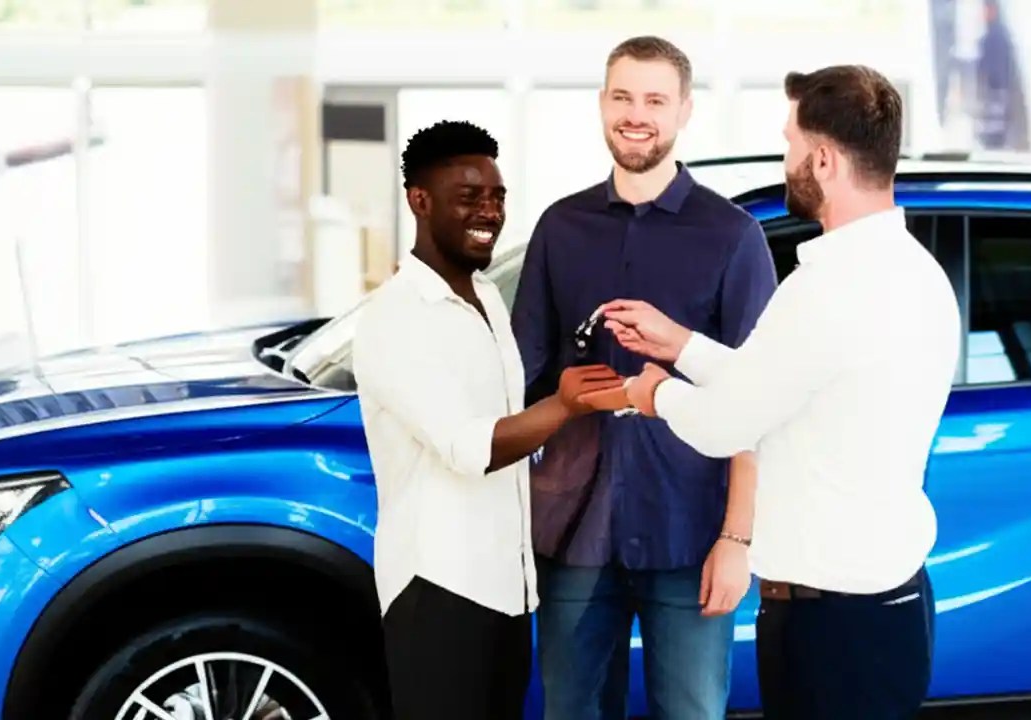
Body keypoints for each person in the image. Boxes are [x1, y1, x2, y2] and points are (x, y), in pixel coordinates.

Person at [602, 65, 961, 719]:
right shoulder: (919, 275)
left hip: (833, 627)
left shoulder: (828, 289)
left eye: (790, 144)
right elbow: (784, 384)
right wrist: (683, 345)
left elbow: (725, 425)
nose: (787, 158)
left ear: (823, 159)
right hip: (890, 609)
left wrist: (652, 394)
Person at [510, 36, 777, 720]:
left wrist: (737, 540)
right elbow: (523, 379)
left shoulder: (733, 235)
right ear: (602, 104)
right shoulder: (559, 228)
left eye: (655, 100)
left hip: (689, 533)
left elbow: (758, 400)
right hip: (572, 535)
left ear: (684, 111)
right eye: (623, 97)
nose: (637, 114)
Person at [352, 119, 626, 720]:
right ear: (419, 202)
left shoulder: (487, 297)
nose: (489, 211)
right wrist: (564, 405)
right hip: (439, 589)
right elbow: (466, 446)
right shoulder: (397, 319)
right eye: (469, 197)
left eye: (497, 197)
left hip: (505, 588)